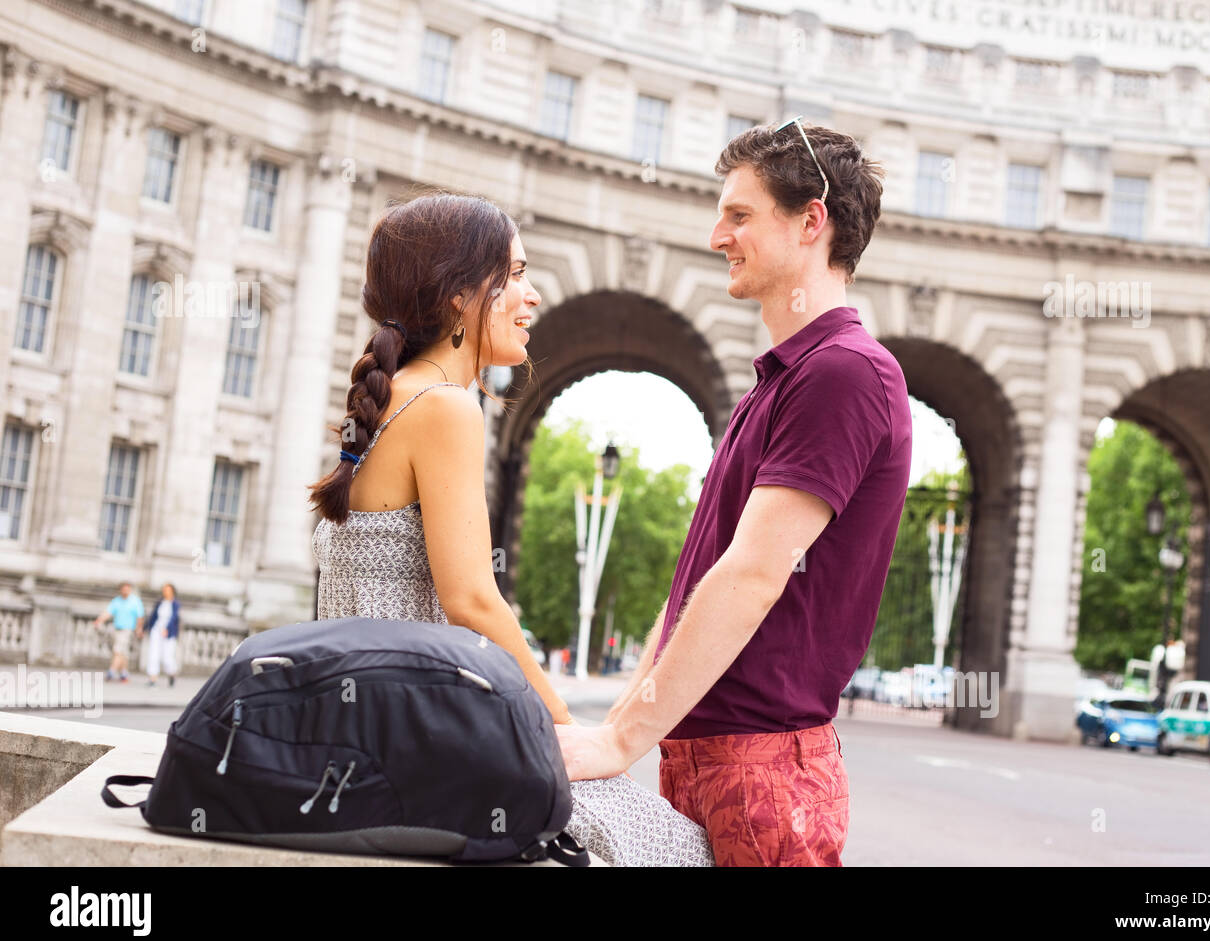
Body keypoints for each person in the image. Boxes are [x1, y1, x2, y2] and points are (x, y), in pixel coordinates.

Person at [306, 191, 713, 867]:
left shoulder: (397, 396)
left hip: (367, 726)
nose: (530, 296)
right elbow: (470, 598)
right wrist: (565, 722)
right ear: (462, 294)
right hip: (413, 738)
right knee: (671, 844)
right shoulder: (444, 407)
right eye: (515, 275)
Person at [557, 119, 911, 867]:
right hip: (713, 755)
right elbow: (701, 578)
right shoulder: (785, 379)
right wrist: (622, 725)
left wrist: (619, 738)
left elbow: (753, 574)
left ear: (812, 220)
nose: (718, 234)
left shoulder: (845, 373)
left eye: (740, 215)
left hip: (762, 770)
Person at [94, 581, 145, 682]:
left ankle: (111, 672)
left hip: (127, 630)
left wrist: (139, 629)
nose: (125, 591)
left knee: (118, 650)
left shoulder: (135, 601)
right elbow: (108, 612)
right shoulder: (117, 601)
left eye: (127, 589)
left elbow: (140, 617)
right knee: (123, 653)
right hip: (116, 629)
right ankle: (124, 673)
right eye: (123, 589)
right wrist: (99, 620)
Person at [142, 583, 182, 687]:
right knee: (153, 653)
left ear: (172, 591)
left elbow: (174, 617)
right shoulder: (160, 602)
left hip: (169, 633)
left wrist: (167, 628)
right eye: (164, 590)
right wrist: (145, 628)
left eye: (168, 590)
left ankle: (172, 673)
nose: (165, 592)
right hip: (156, 630)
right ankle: (153, 678)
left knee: (167, 656)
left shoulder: (175, 604)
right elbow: (153, 617)